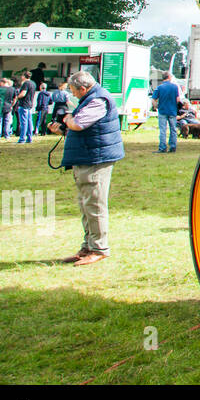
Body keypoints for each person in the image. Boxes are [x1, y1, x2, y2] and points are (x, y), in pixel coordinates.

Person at [54, 71, 124, 265]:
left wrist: (68, 119)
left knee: (94, 205)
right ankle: (88, 246)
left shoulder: (97, 100)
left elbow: (78, 124)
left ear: (83, 88)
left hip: (95, 159)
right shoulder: (92, 97)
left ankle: (99, 249)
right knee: (86, 204)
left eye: (74, 91)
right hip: (88, 156)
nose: (73, 94)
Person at [150, 71, 180, 152]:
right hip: (172, 111)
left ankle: (162, 148)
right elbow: (178, 100)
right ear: (169, 77)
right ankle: (173, 147)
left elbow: (153, 99)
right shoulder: (175, 87)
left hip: (162, 111)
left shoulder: (159, 87)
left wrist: (156, 106)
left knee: (163, 130)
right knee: (173, 129)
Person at [15, 72, 37, 144]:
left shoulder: (26, 83)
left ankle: (22, 139)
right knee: (29, 122)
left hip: (23, 104)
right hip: (30, 104)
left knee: (23, 122)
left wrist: (17, 97)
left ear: (24, 76)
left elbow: (23, 93)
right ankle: (29, 138)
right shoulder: (33, 83)